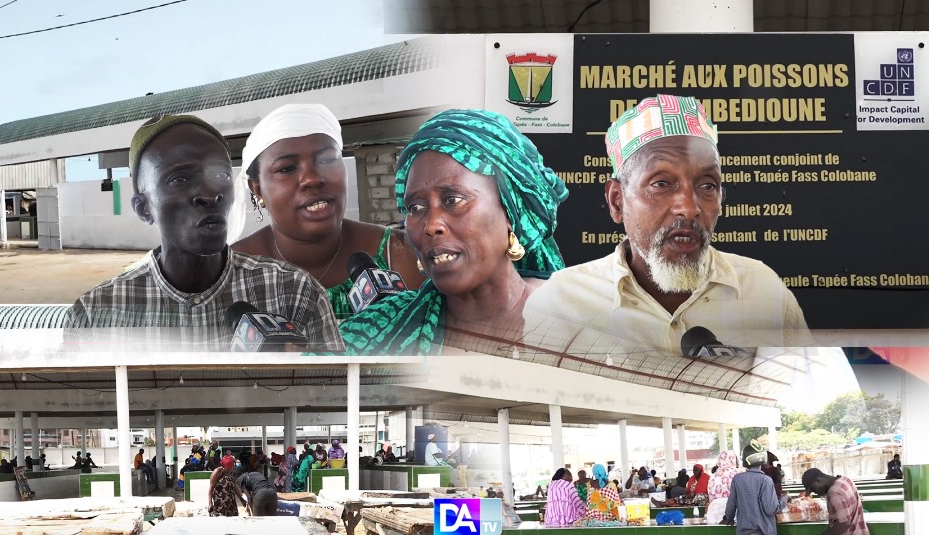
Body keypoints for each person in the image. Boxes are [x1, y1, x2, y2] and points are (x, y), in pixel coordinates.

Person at [525, 94, 809, 352]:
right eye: (661, 183)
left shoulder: (765, 293)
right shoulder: (558, 304)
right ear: (617, 201)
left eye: (708, 185)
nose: (689, 207)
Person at [63, 114, 343, 352]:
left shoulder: (296, 293)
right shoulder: (94, 316)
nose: (210, 194)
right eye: (180, 179)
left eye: (220, 175)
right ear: (144, 208)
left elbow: (340, 402)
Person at [332, 109, 568, 355]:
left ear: (510, 210)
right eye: (415, 207)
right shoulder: (373, 331)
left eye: (453, 199)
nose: (431, 225)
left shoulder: (585, 318)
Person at [233, 103, 424, 318]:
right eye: (286, 168)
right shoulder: (228, 275)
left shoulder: (404, 254)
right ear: (257, 189)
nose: (313, 178)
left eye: (326, 160)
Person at [722, 448, 786, 535]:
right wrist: (784, 500)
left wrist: (728, 518)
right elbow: (771, 509)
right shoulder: (766, 480)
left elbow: (731, 505)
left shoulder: (737, 479)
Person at [802, 468, 874, 535]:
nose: (815, 493)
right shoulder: (845, 480)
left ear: (819, 481)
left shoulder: (834, 492)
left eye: (813, 489)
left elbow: (843, 524)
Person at [705, 450, 740, 524]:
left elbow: (710, 495)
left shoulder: (713, 476)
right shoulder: (738, 473)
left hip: (714, 512)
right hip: (733, 512)